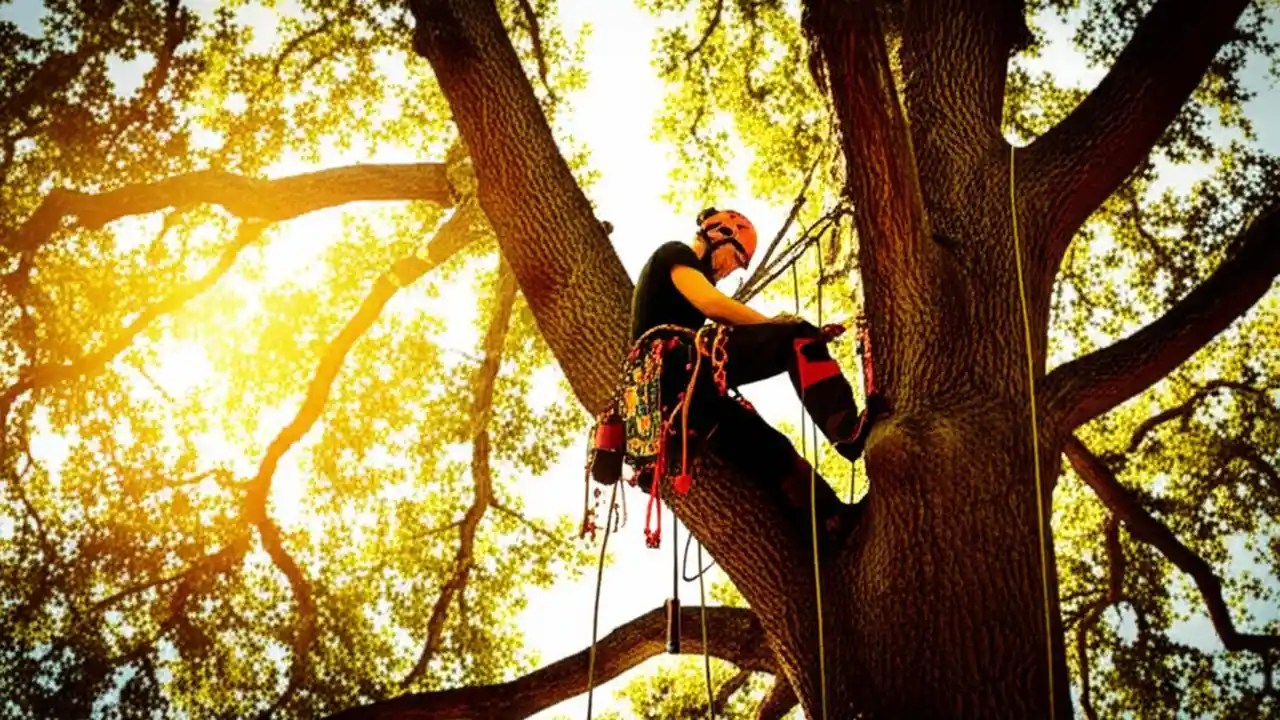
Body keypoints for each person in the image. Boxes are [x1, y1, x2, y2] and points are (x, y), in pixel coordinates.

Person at [591, 207, 884, 551]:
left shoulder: (683, 297)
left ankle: (831, 523)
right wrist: (780, 325)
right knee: (797, 336)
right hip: (672, 370)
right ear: (719, 232)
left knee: (773, 450)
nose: (732, 269)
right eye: (737, 256)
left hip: (684, 400)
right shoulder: (675, 254)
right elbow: (711, 303)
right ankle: (846, 430)